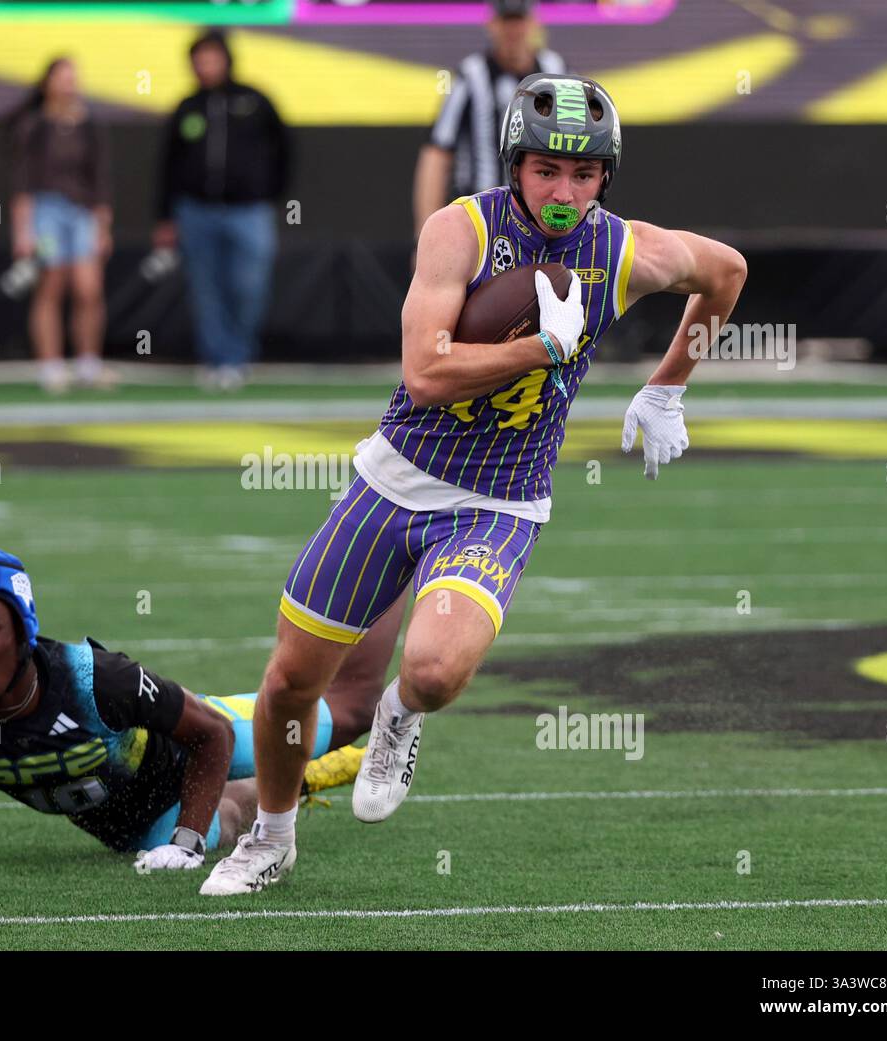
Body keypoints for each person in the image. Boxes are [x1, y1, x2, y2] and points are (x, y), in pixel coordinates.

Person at [200, 74, 749, 895]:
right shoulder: (461, 230)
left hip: (500, 499)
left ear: (608, 177)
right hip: (396, 479)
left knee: (431, 672)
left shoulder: (626, 249)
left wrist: (670, 383)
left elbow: (728, 271)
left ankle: (398, 718)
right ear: (512, 164)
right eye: (545, 171)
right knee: (291, 681)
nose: (564, 192)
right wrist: (541, 349)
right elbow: (424, 373)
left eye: (584, 174)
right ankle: (272, 839)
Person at [0, 546, 369, 874]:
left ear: (22, 630)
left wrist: (185, 843)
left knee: (349, 710)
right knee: (234, 816)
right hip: (133, 824)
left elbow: (207, 736)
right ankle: (284, 785)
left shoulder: (91, 679)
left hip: (195, 743)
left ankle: (386, 554)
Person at [153, 29, 290, 392]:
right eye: (199, 59)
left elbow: (284, 151)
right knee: (206, 289)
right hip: (196, 212)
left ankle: (238, 356)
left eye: (212, 57)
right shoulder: (187, 107)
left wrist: (268, 192)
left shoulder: (255, 101)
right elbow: (168, 164)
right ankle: (217, 360)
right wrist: (165, 216)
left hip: (249, 212)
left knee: (249, 285)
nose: (206, 65)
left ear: (227, 59)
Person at [415, 0, 567, 251]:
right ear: (492, 24)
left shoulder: (557, 73)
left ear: (533, 23)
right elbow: (436, 153)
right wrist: (423, 238)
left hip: (545, 222)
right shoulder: (470, 76)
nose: (513, 31)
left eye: (519, 21)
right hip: (480, 221)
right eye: (506, 22)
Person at [7, 57, 114, 393]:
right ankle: (51, 366)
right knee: (51, 285)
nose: (69, 84)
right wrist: (23, 231)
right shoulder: (34, 126)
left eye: (73, 78)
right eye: (62, 78)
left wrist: (102, 225)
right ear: (48, 83)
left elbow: (100, 180)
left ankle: (88, 363)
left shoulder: (89, 125)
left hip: (82, 213)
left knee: (88, 288)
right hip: (46, 213)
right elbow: (22, 182)